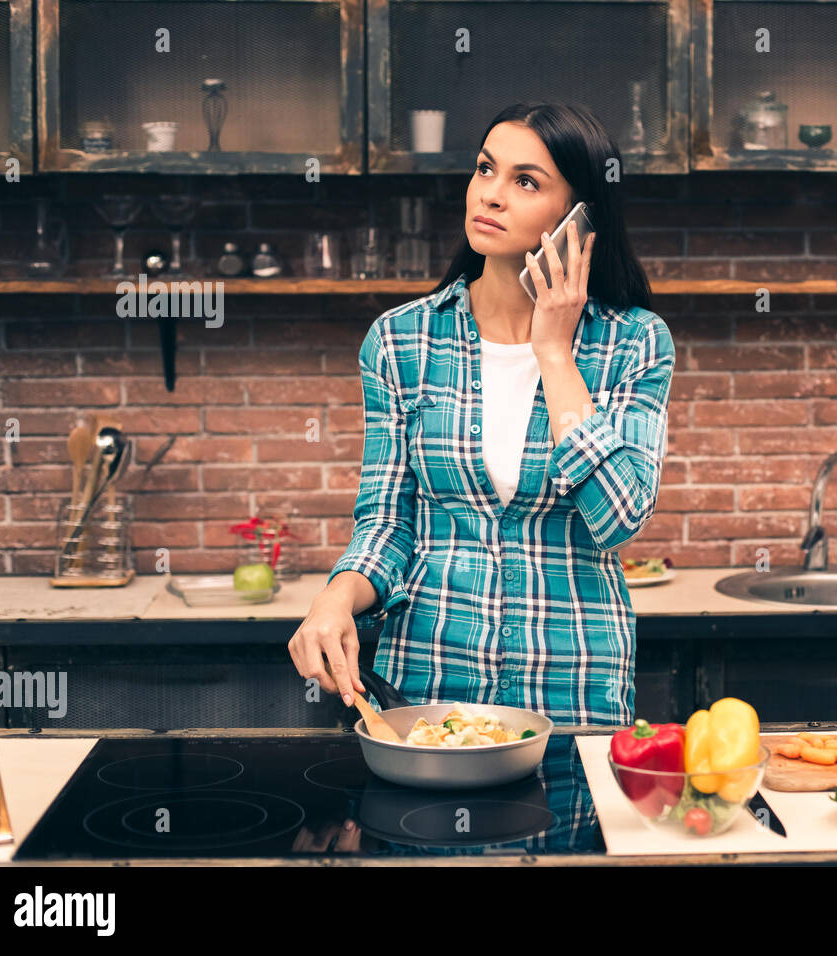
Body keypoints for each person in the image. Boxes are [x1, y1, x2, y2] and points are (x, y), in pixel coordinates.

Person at [288, 102, 675, 727]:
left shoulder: (633, 342)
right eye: (485, 169)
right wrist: (336, 596)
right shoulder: (401, 340)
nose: (491, 195)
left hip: (575, 684)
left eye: (526, 181)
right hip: (431, 683)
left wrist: (553, 349)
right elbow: (388, 522)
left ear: (579, 217)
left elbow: (620, 519)